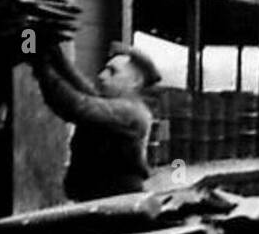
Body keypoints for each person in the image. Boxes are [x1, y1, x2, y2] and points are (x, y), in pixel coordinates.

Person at [32, 38, 162, 200]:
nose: (101, 76)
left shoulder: (131, 112)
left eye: (112, 72)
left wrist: (41, 68)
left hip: (115, 204)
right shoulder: (117, 105)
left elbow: (77, 106)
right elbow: (86, 91)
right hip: (103, 199)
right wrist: (58, 58)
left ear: (135, 82)